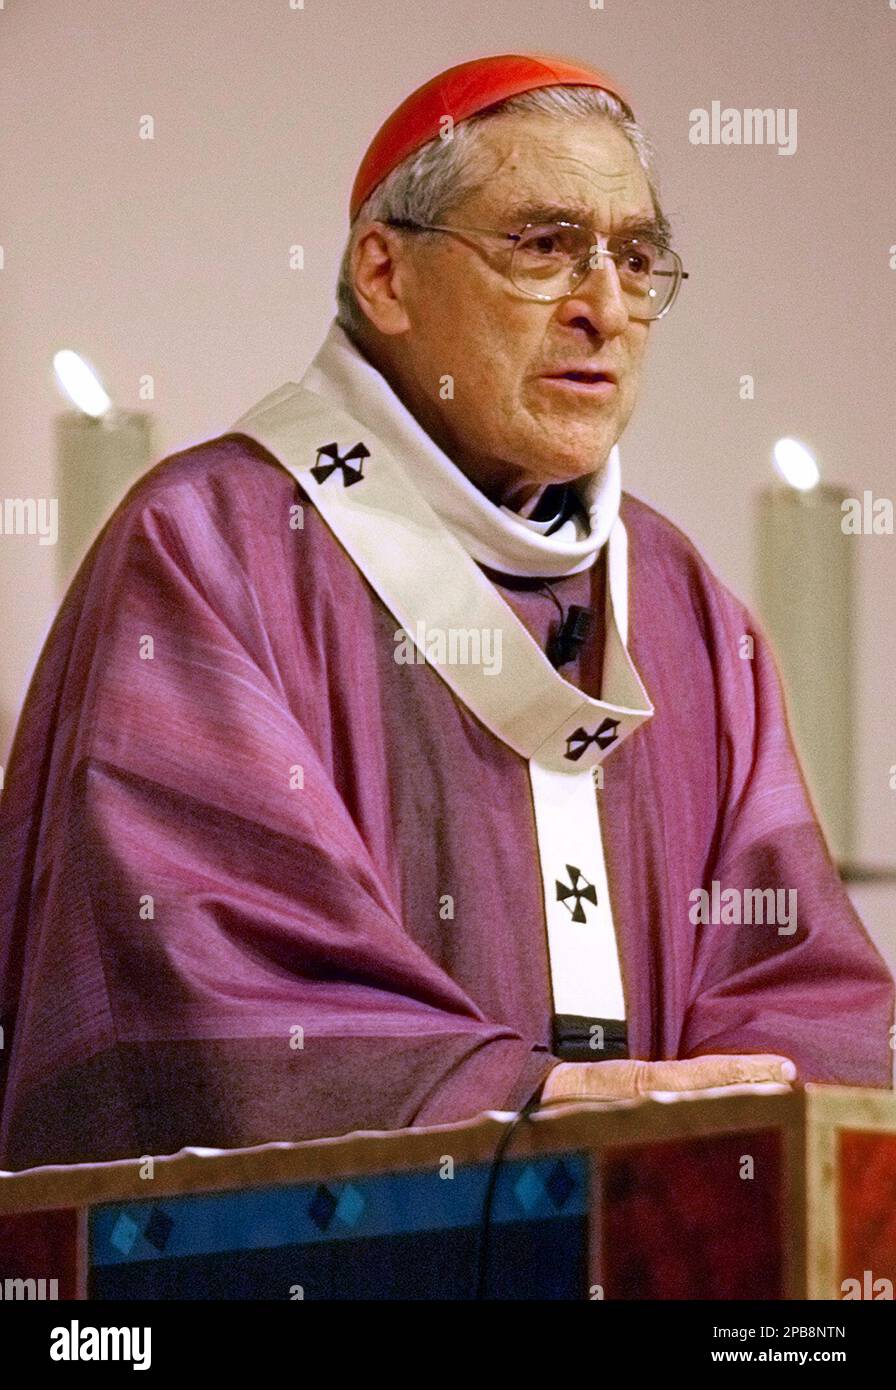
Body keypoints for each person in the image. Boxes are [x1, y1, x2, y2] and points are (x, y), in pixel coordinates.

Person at [0, 53, 891, 1171]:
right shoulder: (209, 543)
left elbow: (796, 980)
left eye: (636, 256)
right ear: (384, 273)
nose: (602, 309)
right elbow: (194, 971)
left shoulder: (679, 600)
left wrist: (722, 1133)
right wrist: (517, 1107)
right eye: (543, 246)